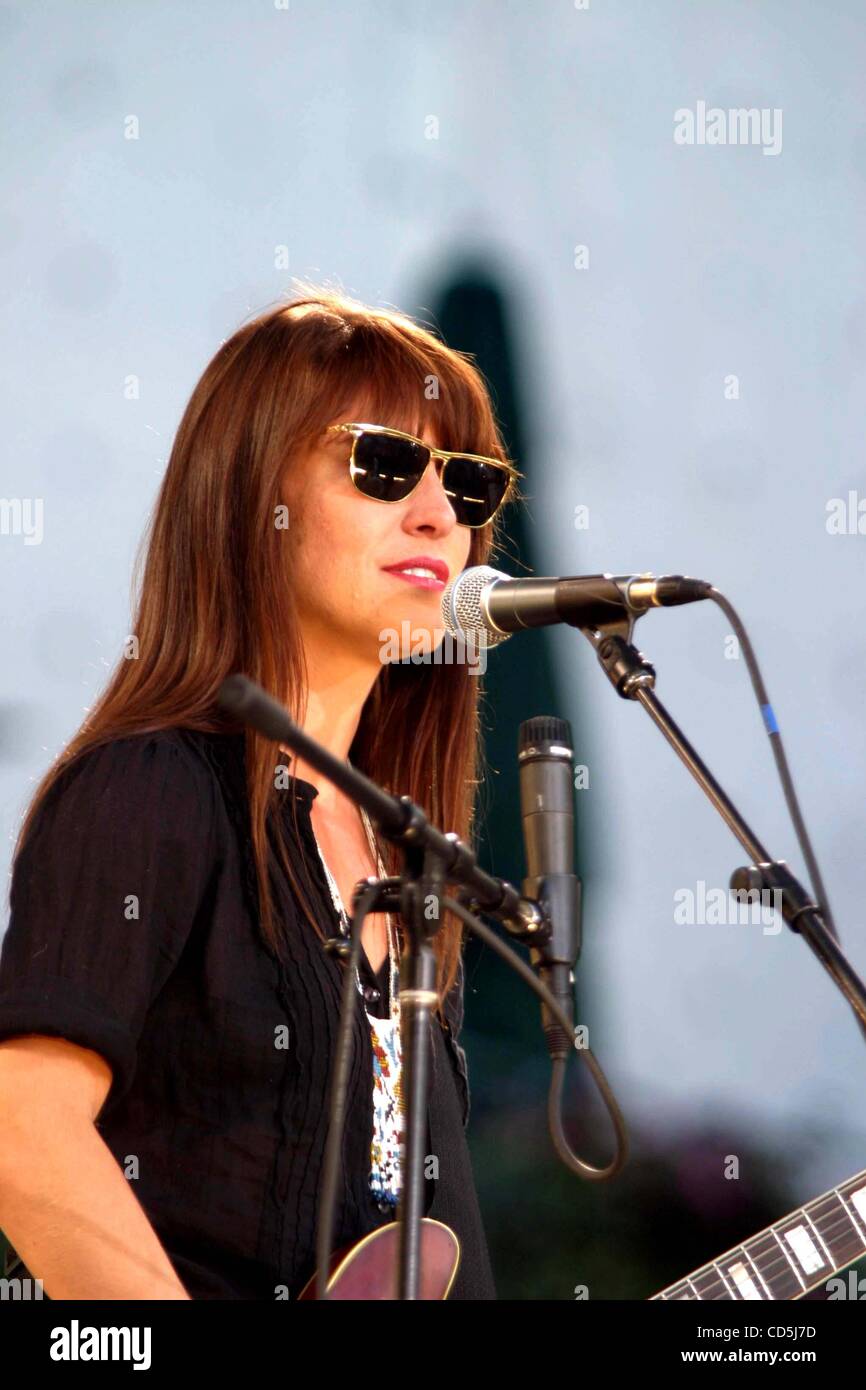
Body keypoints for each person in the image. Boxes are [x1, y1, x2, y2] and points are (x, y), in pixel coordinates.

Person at [0, 283, 520, 1300]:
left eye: (468, 485)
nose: (435, 515)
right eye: (383, 465)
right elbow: (23, 1123)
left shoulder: (411, 861)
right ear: (251, 498)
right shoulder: (149, 787)